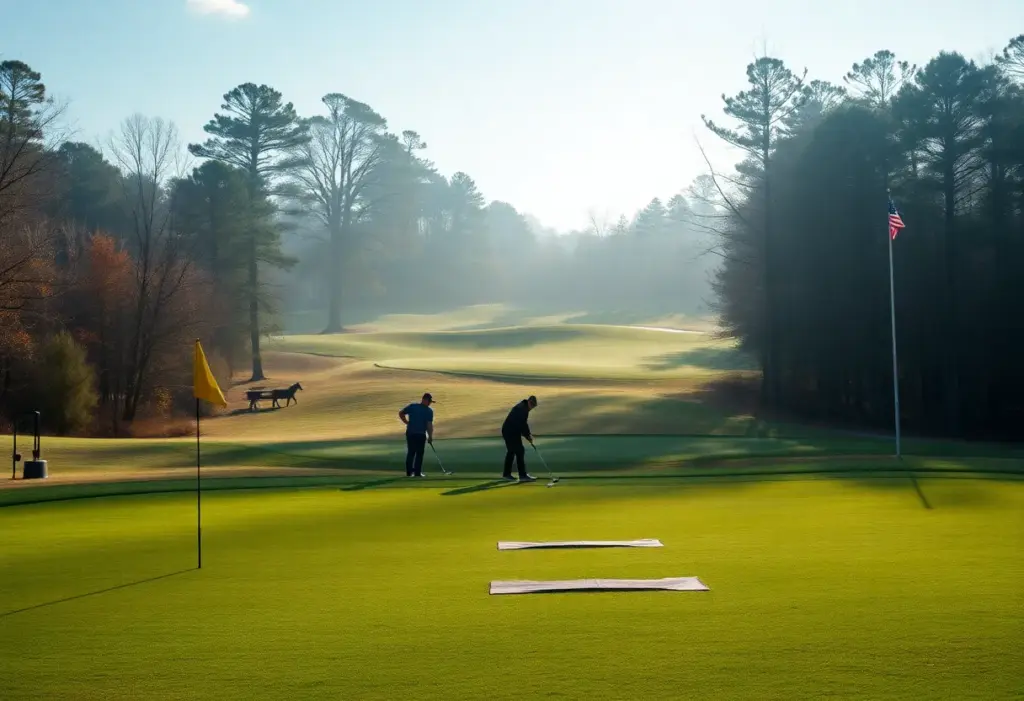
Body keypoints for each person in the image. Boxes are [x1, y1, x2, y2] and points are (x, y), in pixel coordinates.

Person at [501, 395, 537, 481]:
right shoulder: (521, 409)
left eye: (533, 406)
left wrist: (528, 435)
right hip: (509, 432)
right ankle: (522, 476)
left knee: (512, 451)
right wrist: (528, 436)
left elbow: (524, 423)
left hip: (512, 431)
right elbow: (522, 425)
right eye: (531, 405)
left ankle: (507, 474)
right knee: (519, 451)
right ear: (528, 402)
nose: (532, 408)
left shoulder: (524, 408)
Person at [399, 393, 434, 478]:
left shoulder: (413, 407)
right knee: (416, 453)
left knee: (413, 453)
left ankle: (411, 473)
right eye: (429, 401)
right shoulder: (428, 411)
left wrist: (407, 423)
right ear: (424, 400)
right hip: (417, 434)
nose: (429, 403)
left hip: (413, 433)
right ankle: (415, 473)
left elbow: (401, 413)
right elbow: (429, 425)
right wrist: (406, 422)